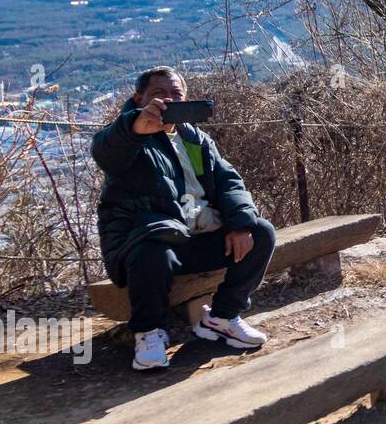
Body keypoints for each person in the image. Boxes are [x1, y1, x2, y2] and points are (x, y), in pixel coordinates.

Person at [91, 66, 276, 370]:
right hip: (143, 244)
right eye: (159, 94)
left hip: (196, 237)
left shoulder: (195, 139)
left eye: (176, 94)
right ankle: (148, 333)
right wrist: (135, 127)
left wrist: (239, 223)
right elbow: (105, 151)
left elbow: (229, 181)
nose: (168, 100)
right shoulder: (128, 137)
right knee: (155, 248)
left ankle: (222, 318)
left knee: (260, 232)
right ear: (139, 99)